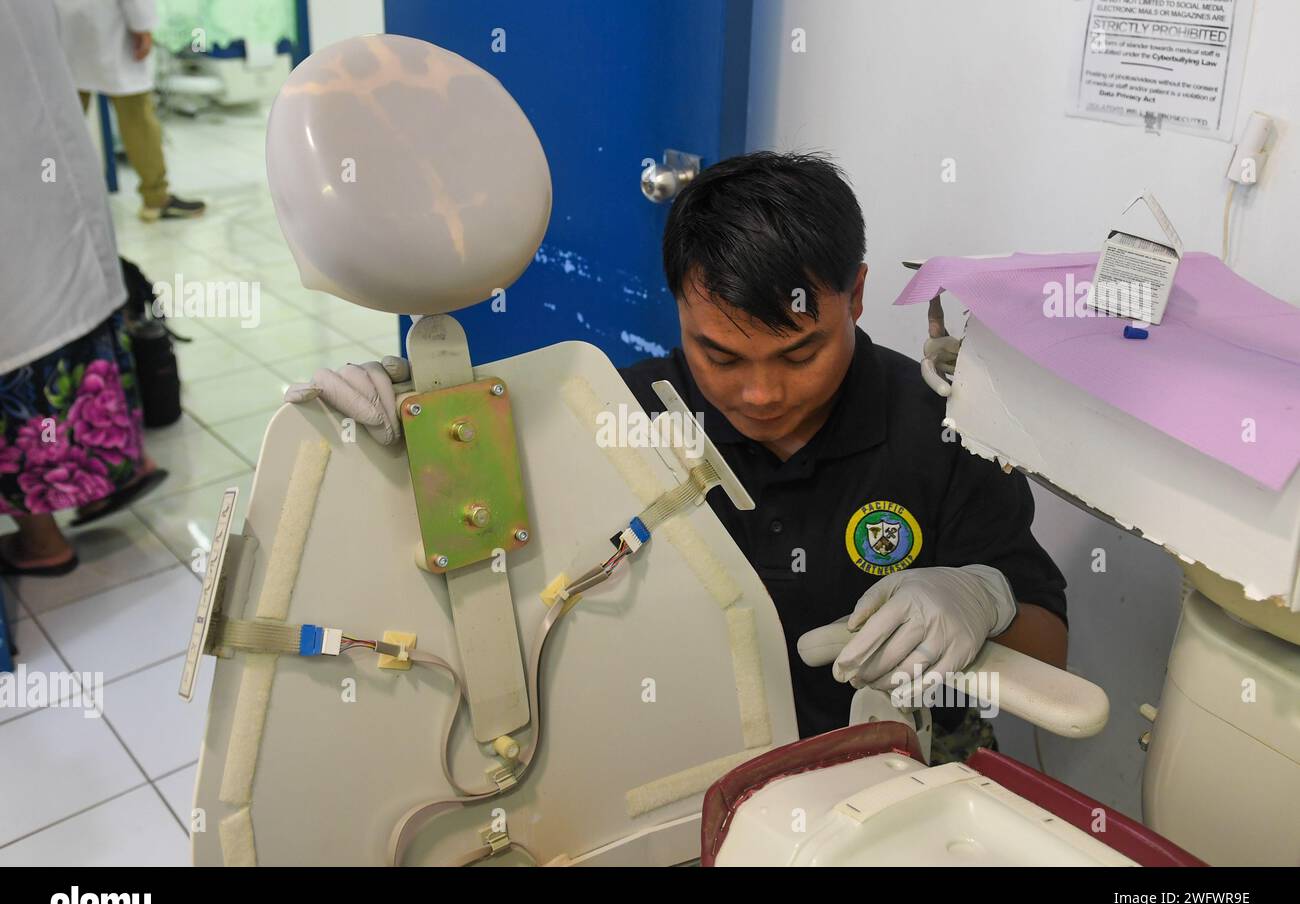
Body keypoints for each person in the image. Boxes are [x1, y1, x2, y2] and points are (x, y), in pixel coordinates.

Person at [286, 152, 1069, 763]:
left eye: (800, 354)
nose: (761, 394)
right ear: (678, 309)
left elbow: (1050, 650)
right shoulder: (625, 413)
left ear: (856, 295)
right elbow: (471, 521)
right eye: (720, 354)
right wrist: (400, 439)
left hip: (880, 766)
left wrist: (982, 596)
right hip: (677, 763)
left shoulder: (940, 428)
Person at [0, 0, 167, 577]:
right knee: (72, 322)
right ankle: (109, 476)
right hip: (48, 167)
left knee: (20, 344)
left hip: (21, 199)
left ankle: (42, 538)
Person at [55, 0, 206, 221]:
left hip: (65, 25)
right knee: (137, 119)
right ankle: (156, 197)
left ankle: (56, 197)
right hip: (111, 27)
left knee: (64, 122)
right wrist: (142, 25)